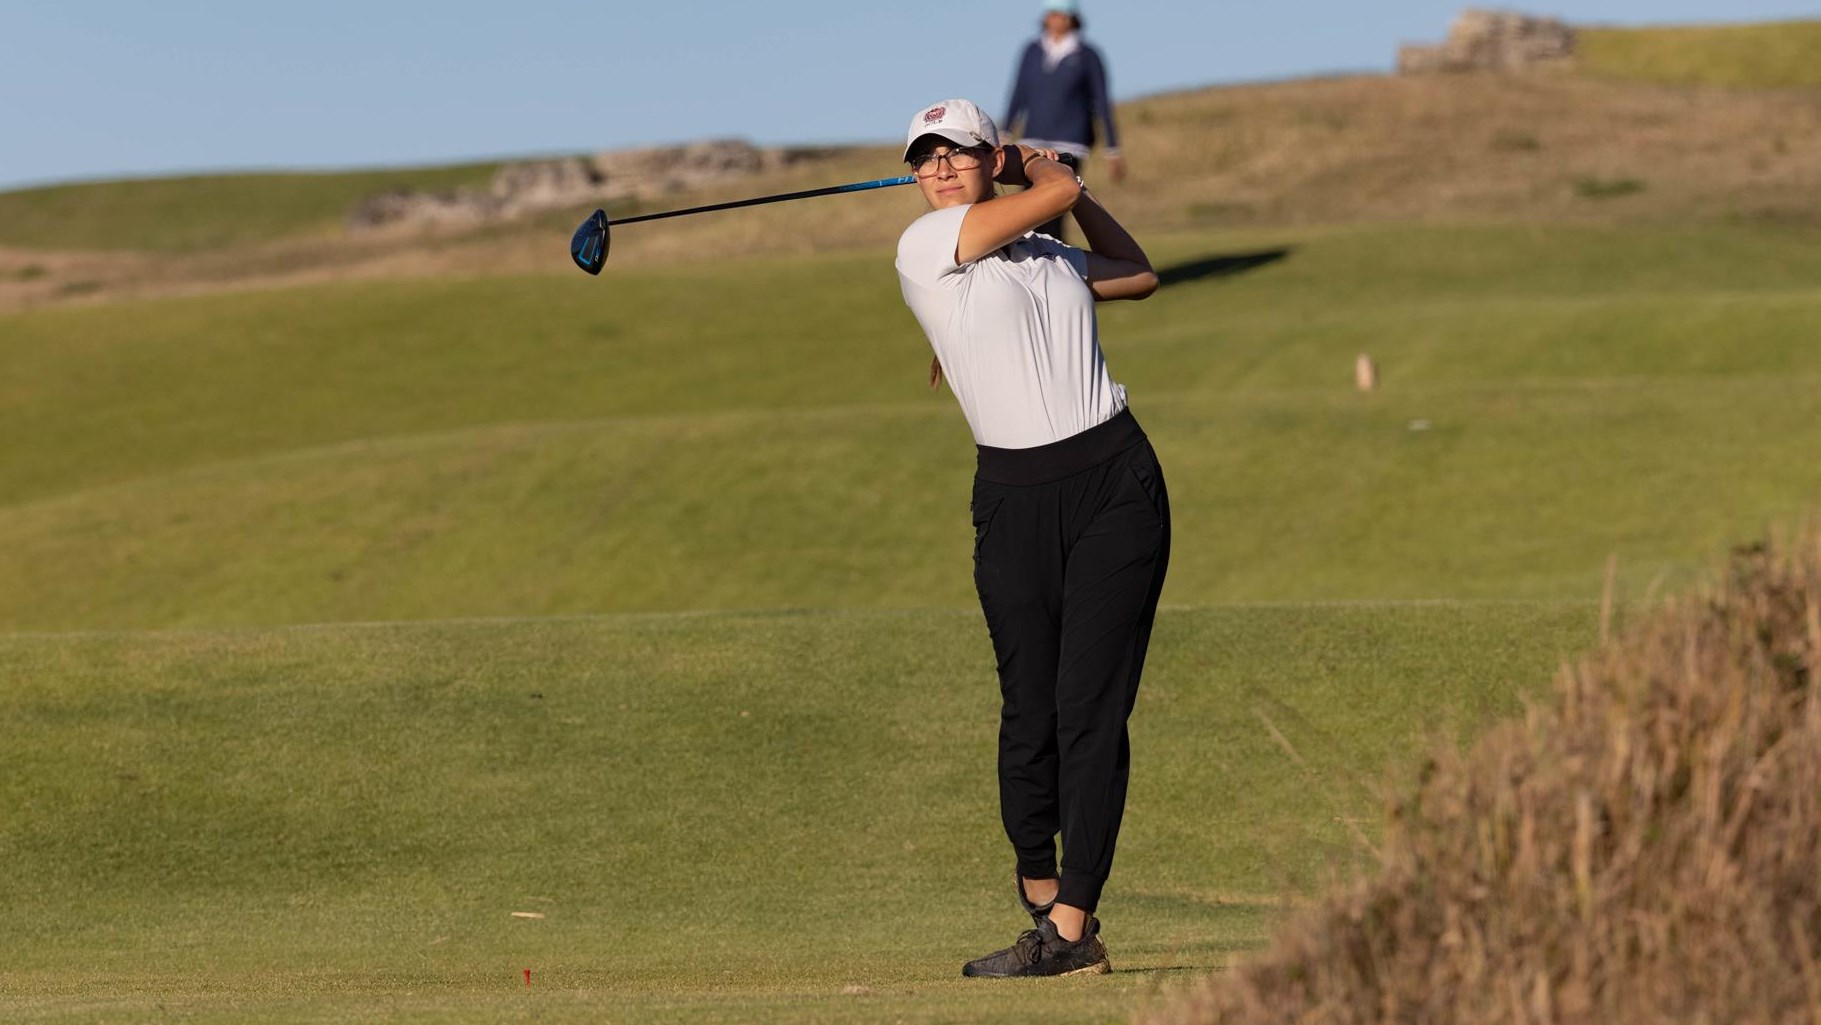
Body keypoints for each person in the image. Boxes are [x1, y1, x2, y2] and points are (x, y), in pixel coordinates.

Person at [894, 98, 1170, 978]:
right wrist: (1044, 171)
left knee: (1091, 705)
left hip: (1113, 487)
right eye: (923, 158)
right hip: (1012, 501)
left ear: (987, 160)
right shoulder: (924, 247)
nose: (937, 168)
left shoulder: (1047, 254)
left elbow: (1135, 271)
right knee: (1030, 711)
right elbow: (1050, 191)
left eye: (957, 154)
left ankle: (1073, 927)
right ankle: (1042, 896)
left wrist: (1065, 189)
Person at [1003, 0, 1125, 239]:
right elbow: (1018, 93)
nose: (1057, 20)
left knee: (1054, 211)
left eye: (1063, 15)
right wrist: (1005, 132)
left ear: (1072, 19)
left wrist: (1113, 149)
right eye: (1052, 14)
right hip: (1033, 143)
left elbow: (1102, 102)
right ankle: (1032, 272)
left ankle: (1059, 269)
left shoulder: (1088, 55)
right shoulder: (1031, 50)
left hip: (1070, 144)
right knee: (1028, 212)